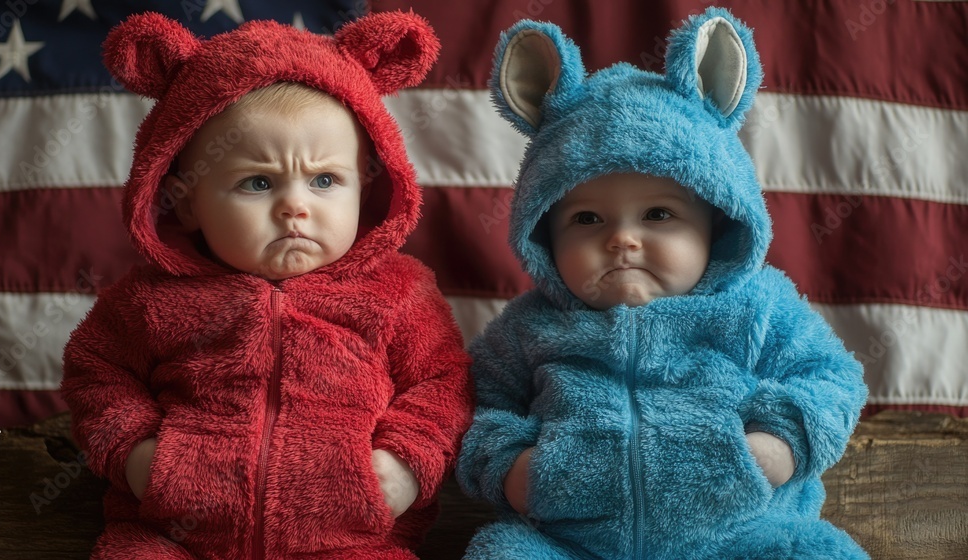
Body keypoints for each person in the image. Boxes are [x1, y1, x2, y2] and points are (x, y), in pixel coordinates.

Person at [456, 8, 869, 560]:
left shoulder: (758, 307)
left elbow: (832, 377)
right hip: (573, 544)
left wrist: (778, 443)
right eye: (586, 219)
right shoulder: (529, 328)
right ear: (542, 234)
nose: (622, 240)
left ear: (715, 223)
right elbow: (476, 408)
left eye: (657, 215)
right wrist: (513, 468)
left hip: (739, 538)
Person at [61, 11, 473, 560]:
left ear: (368, 186)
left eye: (325, 180)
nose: (295, 207)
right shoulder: (149, 301)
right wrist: (138, 454)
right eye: (258, 182)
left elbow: (443, 383)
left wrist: (403, 464)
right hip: (174, 534)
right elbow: (96, 372)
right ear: (186, 204)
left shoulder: (400, 293)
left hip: (347, 536)